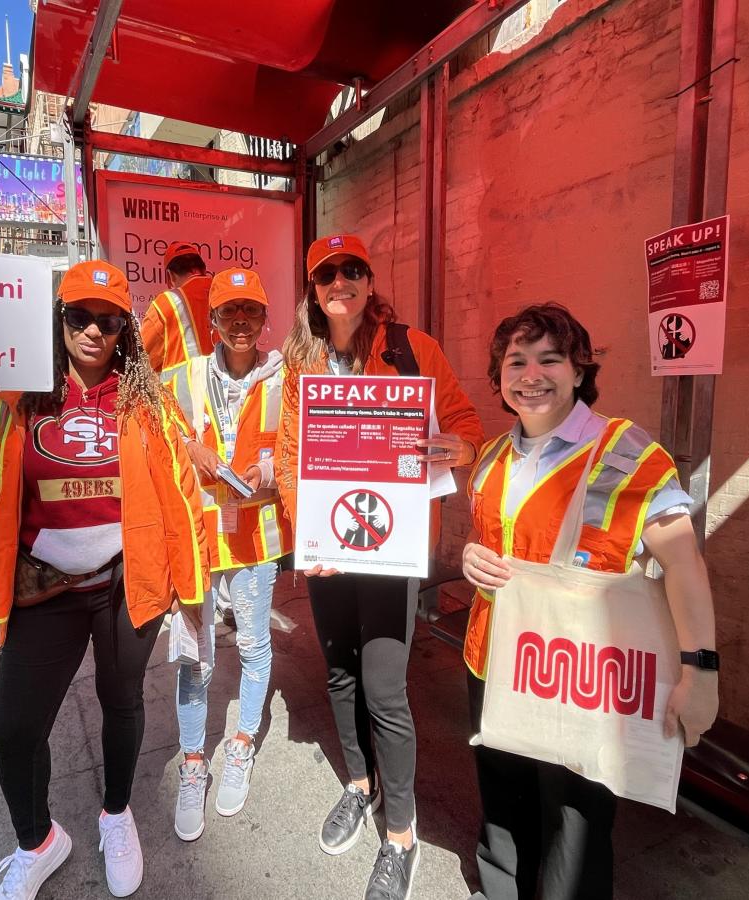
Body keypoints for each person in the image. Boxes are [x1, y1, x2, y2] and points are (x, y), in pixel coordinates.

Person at [0, 260, 208, 900]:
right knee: (15, 727)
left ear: (123, 331)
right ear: (59, 320)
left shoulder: (147, 401)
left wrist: (191, 592)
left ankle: (116, 812)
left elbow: (180, 495)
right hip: (44, 589)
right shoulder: (20, 395)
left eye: (107, 321)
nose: (92, 331)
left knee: (123, 702)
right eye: (78, 316)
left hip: (123, 586)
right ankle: (39, 840)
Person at [460, 302, 720, 900]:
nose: (531, 374)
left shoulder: (624, 452)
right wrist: (472, 561)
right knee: (503, 803)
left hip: (578, 678)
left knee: (574, 824)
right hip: (492, 662)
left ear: (579, 370)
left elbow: (682, 562)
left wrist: (699, 670)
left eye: (549, 359)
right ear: (499, 377)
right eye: (515, 361)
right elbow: (495, 546)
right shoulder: (494, 457)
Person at [276, 233, 484, 900]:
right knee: (339, 674)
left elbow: (467, 427)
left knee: (386, 690)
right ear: (314, 289)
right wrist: (308, 536)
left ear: (369, 281)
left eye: (353, 270)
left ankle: (401, 834)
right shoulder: (299, 365)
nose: (341, 282)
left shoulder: (411, 349)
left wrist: (457, 449)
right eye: (327, 273)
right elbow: (287, 460)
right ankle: (359, 785)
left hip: (390, 551)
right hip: (330, 551)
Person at [160, 267, 292, 841]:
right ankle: (194, 762)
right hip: (199, 539)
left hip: (257, 540)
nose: (241, 323)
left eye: (252, 312)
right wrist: (191, 447)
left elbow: (305, 445)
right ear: (211, 321)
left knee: (256, 645)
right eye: (229, 313)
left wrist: (273, 469)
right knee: (197, 654)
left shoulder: (286, 380)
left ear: (265, 321)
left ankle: (239, 745)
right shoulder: (181, 376)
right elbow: (154, 431)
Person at [140, 240, 215, 372]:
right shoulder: (223, 294)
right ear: (203, 269)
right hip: (229, 389)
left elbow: (142, 360)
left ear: (170, 276)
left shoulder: (165, 304)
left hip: (183, 391)